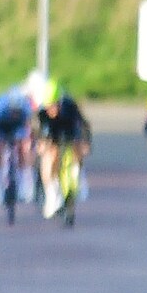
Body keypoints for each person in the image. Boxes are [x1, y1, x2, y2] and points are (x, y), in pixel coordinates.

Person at [35, 81, 92, 218]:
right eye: (48, 106)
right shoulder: (42, 112)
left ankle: (78, 175)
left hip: (70, 131)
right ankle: (52, 195)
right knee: (49, 157)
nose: (51, 110)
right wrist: (41, 143)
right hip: (53, 133)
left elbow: (83, 125)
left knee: (77, 149)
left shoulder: (70, 106)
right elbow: (41, 132)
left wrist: (86, 142)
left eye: (54, 105)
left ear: (59, 102)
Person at [0, 84, 36, 205]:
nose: (15, 113)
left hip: (18, 126)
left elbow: (29, 127)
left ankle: (24, 182)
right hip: (1, 126)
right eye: (13, 110)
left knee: (24, 147)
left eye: (17, 111)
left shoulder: (25, 108)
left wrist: (28, 143)